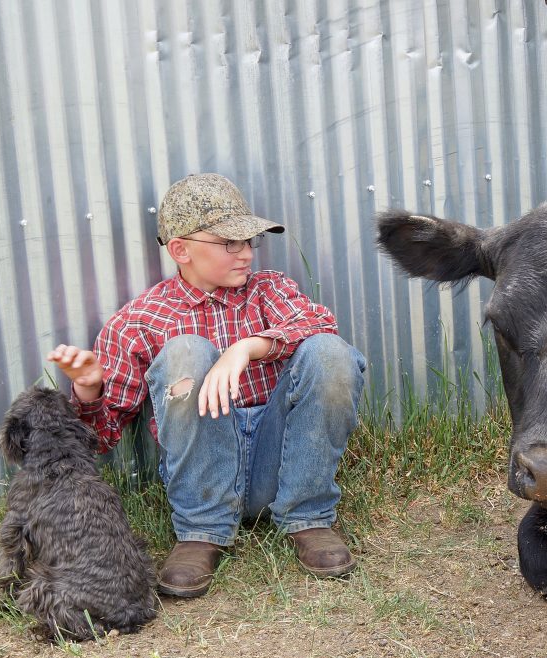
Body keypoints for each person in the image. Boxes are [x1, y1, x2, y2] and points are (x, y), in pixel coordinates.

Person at [47, 173, 367, 598]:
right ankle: (201, 530)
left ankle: (308, 516)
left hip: (283, 459)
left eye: (250, 241)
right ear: (181, 250)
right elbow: (101, 437)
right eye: (229, 243)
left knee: (330, 351)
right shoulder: (139, 321)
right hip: (204, 468)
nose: (246, 254)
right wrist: (88, 389)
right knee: (186, 352)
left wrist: (248, 348)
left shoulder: (269, 290)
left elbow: (321, 325)